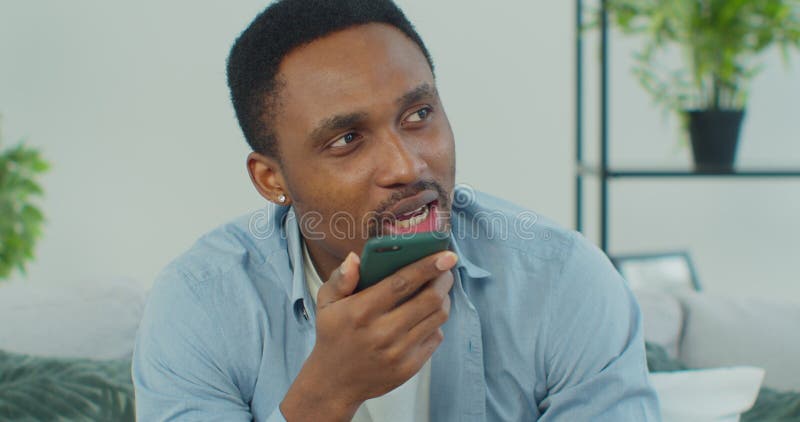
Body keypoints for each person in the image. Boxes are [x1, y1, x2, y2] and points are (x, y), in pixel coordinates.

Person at [132, 0, 661, 420]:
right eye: (346, 139)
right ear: (272, 179)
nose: (407, 166)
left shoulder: (562, 281)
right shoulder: (200, 303)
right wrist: (327, 394)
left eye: (419, 114)